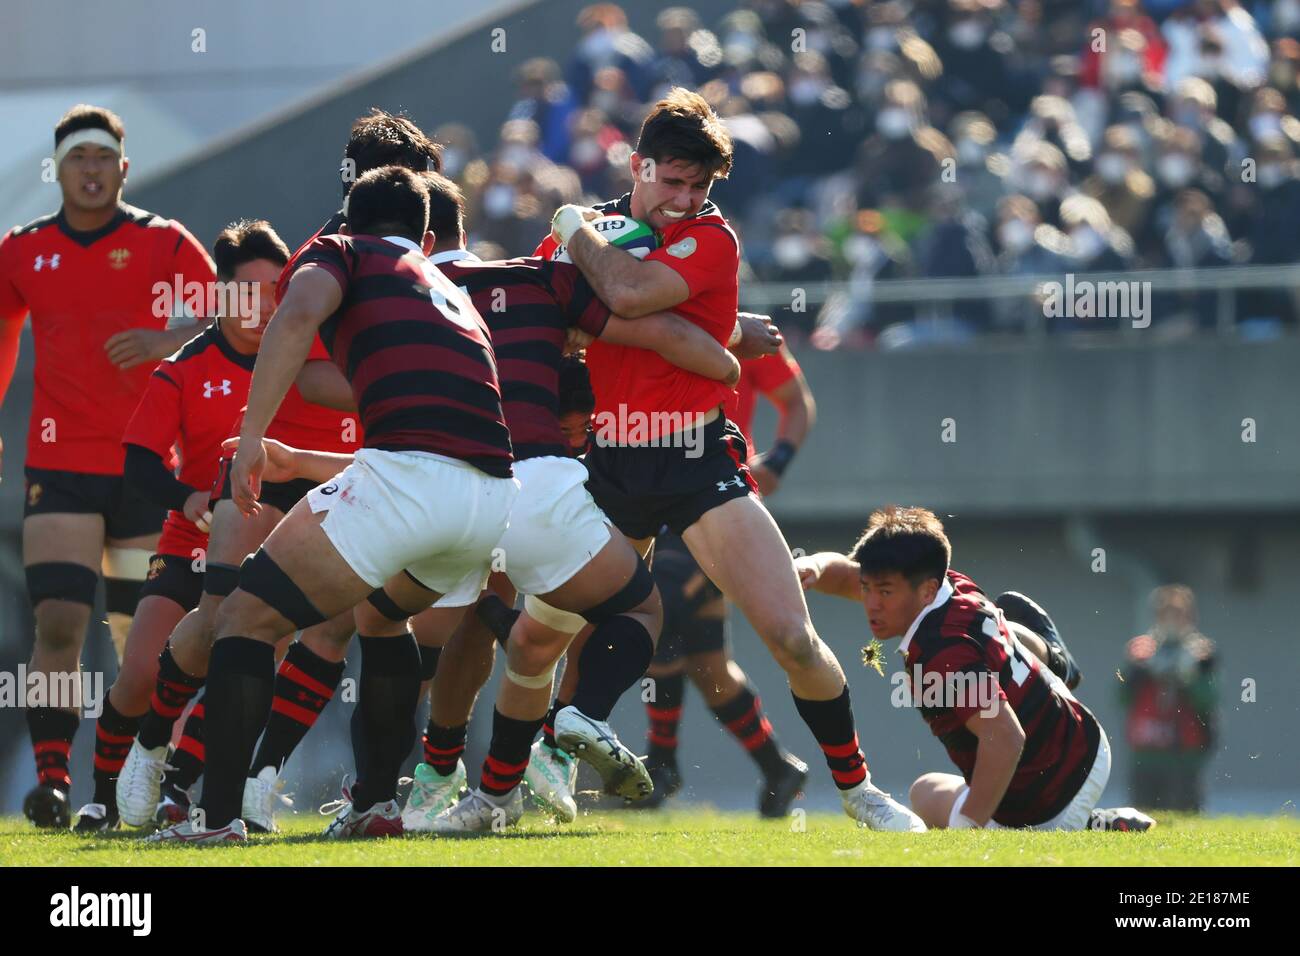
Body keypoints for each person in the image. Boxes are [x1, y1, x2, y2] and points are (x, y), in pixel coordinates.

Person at [281, 171, 745, 835]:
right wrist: (727, 358)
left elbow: (315, 374)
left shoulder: (374, 292)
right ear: (450, 235)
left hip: (434, 495)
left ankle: (380, 799)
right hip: (530, 486)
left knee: (386, 629)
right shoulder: (536, 279)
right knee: (634, 608)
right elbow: (660, 333)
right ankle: (566, 727)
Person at [537, 88, 924, 831]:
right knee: (543, 635)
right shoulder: (603, 230)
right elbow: (554, 325)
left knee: (787, 634)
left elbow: (621, 288)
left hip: (693, 460)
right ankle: (506, 782)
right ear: (636, 164)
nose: (684, 200)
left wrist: (571, 230)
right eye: (671, 181)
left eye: (699, 187)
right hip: (605, 461)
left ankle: (856, 788)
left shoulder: (709, 236)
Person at [146, 166, 518, 844]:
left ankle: (220, 818)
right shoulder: (448, 289)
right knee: (380, 621)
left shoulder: (341, 249)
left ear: (348, 221)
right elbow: (438, 441)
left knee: (245, 618)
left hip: (412, 480)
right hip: (490, 499)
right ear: (427, 236)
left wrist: (254, 437)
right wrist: (299, 459)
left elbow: (298, 311)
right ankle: (377, 803)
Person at [114, 108, 441, 834]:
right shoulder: (328, 254)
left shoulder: (416, 246)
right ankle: (154, 743)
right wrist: (400, 386)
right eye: (415, 178)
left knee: (337, 632)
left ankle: (252, 784)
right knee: (226, 617)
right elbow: (304, 370)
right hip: (274, 459)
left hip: (354, 467)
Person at [0, 104, 214, 827]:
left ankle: (143, 786)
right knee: (58, 620)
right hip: (58, 463)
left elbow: (228, 312)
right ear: (57, 170)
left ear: (123, 168)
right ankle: (53, 782)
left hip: (148, 467)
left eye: (102, 159)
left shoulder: (164, 241)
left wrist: (166, 339)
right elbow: (2, 333)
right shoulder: (22, 249)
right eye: (76, 160)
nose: (90, 172)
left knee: (141, 645)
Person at [74, 220, 284, 831]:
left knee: (235, 677)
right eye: (249, 293)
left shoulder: (301, 362)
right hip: (188, 545)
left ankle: (179, 789)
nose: (263, 308)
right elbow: (139, 461)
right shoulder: (186, 366)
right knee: (142, 671)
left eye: (276, 292)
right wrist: (187, 496)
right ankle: (103, 794)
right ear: (220, 295)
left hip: (269, 555)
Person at [796, 506, 1154, 831]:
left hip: (1040, 803)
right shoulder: (950, 586)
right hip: (1085, 745)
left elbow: (1006, 739)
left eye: (884, 592)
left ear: (925, 591)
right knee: (1003, 618)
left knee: (932, 794)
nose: (870, 603)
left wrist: (966, 834)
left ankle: (1077, 826)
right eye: (867, 589)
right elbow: (849, 575)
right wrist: (815, 566)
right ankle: (1054, 659)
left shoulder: (940, 652)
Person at [640, 345, 815, 817]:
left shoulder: (745, 333)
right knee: (709, 664)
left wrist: (776, 461)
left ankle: (661, 762)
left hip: (716, 501)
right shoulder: (651, 329)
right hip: (653, 497)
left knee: (663, 609)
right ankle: (777, 766)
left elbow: (797, 402)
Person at [1120, 585, 1217, 812]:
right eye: (1166, 614)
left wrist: (1190, 675)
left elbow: (1208, 700)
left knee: (1187, 817)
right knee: (1142, 818)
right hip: (1146, 754)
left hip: (1185, 755)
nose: (1172, 621)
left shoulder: (1202, 654)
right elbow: (1121, 698)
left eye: (1179, 614)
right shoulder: (1142, 652)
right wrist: (1137, 670)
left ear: (1190, 617)